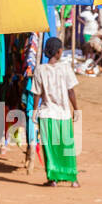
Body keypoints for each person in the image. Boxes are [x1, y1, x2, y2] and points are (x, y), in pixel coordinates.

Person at [33, 36, 79, 187]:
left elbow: (37, 93)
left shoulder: (40, 69)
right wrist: (76, 109)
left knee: (50, 148)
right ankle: (72, 178)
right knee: (67, 148)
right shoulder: (65, 67)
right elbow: (71, 91)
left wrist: (34, 111)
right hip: (63, 114)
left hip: (47, 114)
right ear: (59, 52)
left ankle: (53, 179)